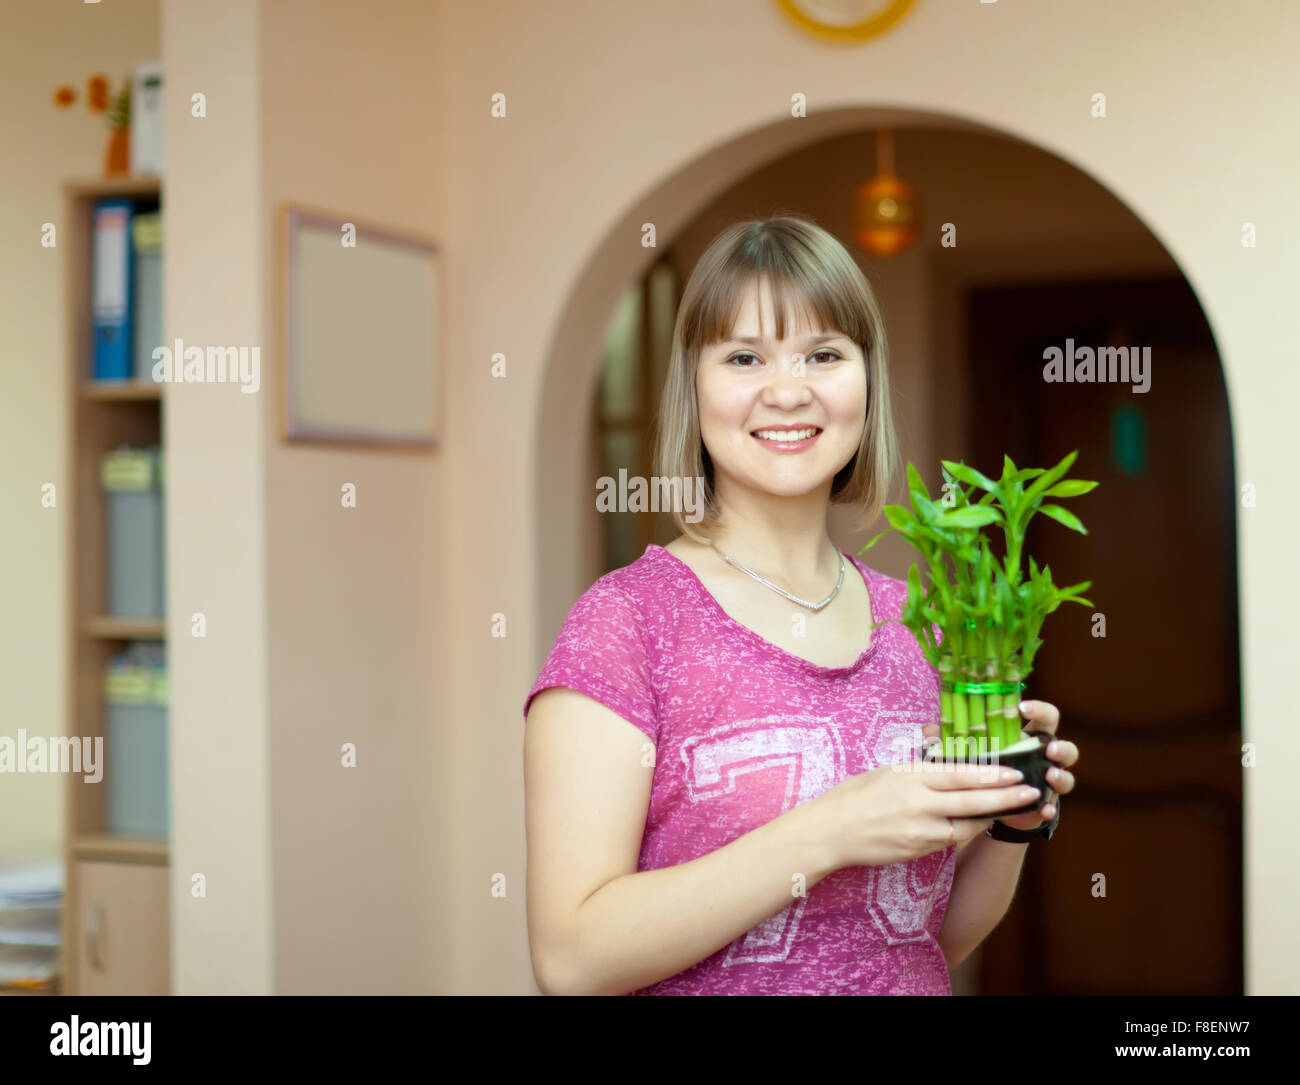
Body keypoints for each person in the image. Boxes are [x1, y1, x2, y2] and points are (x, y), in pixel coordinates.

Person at [522, 215, 1078, 996]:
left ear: (866, 380)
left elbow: (925, 939)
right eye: (744, 357)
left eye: (823, 354)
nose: (788, 391)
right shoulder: (628, 623)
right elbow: (572, 959)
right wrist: (829, 831)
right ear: (696, 385)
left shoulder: (921, 624)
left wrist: (1015, 816)